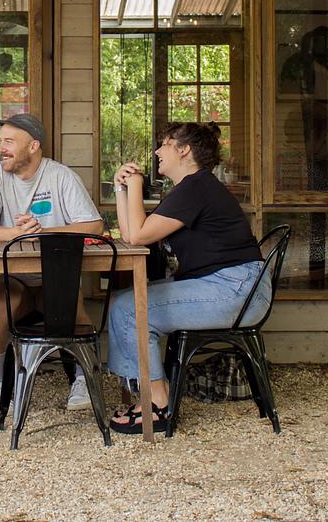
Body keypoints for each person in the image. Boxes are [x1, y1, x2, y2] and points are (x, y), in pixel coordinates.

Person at [107, 121, 268, 434]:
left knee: (130, 309)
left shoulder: (196, 187)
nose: (157, 152)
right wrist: (119, 188)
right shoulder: (190, 189)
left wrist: (137, 184)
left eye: (165, 144)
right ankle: (147, 393)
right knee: (125, 302)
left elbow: (137, 236)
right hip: (229, 286)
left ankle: (157, 403)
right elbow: (131, 235)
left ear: (184, 150)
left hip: (235, 289)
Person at [0, 113, 104, 415]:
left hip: (52, 276)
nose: (1, 148)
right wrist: (15, 234)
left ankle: (82, 379)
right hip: (10, 275)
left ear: (33, 146)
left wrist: (44, 233)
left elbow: (93, 225)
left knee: (71, 304)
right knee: (4, 302)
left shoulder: (60, 175)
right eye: (1, 141)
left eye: (9, 142)